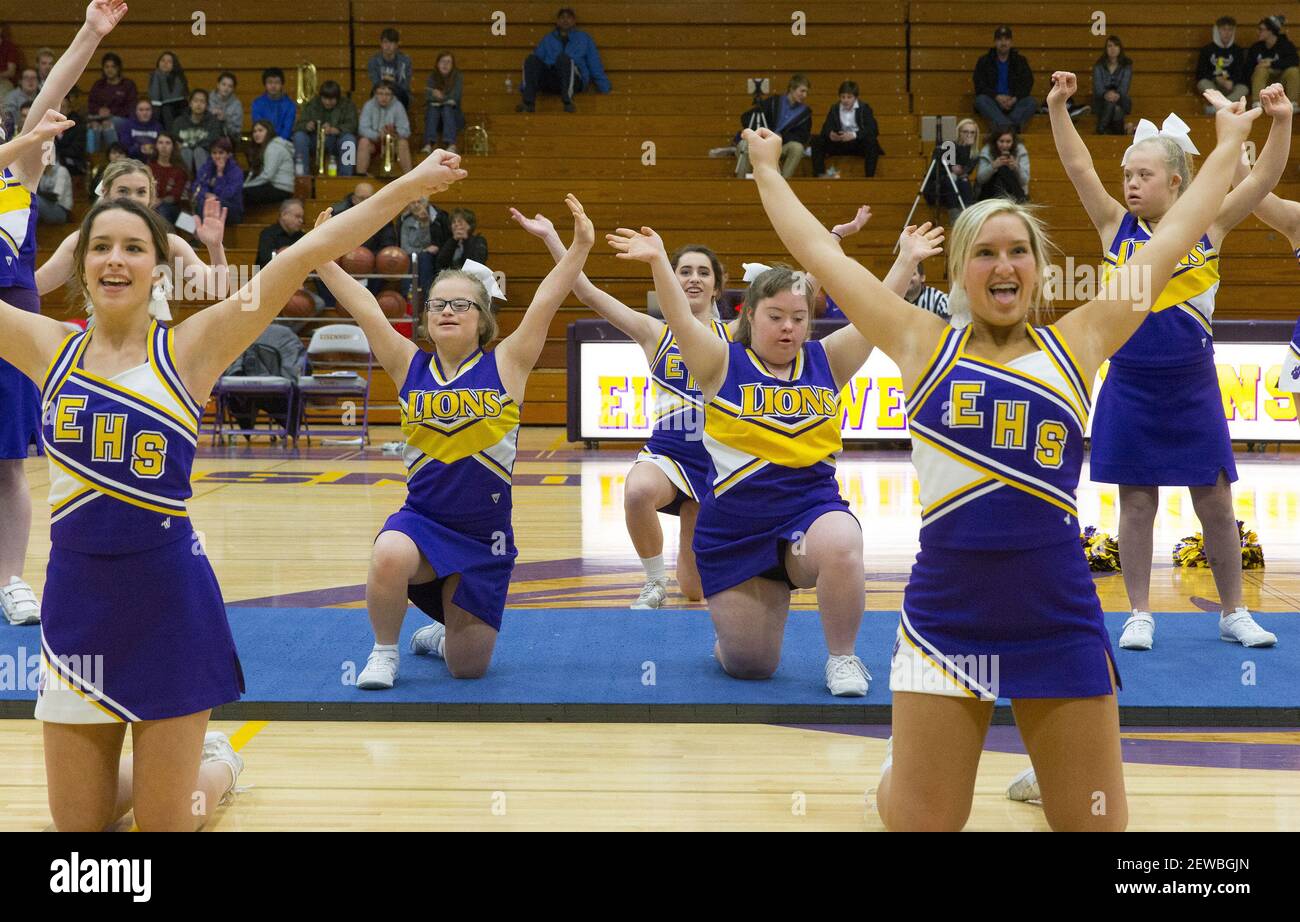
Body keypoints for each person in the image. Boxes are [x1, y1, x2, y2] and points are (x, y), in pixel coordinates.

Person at [744, 97, 1260, 830]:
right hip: (948, 614)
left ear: (1043, 269)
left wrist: (1230, 142)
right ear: (960, 269)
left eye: (1018, 250)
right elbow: (822, 257)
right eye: (984, 252)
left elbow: (1173, 236)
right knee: (927, 822)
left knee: (1096, 826)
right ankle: (904, 773)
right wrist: (768, 169)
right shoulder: (921, 342)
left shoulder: (1078, 341)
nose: (1003, 263)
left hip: (1060, 614)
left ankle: (1042, 770)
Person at [1, 138, 465, 831]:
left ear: (159, 265)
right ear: (81, 262)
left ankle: (216, 765)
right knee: (80, 831)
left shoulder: (191, 348)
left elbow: (303, 255)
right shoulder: (46, 346)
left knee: (165, 826)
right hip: (77, 611)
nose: (115, 260)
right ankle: (169, 771)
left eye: (134, 247)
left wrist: (410, 185)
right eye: (101, 247)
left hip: (168, 603)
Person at [1046, 71, 1290, 655]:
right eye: (1127, 175)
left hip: (1193, 387)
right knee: (1135, 503)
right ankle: (1138, 612)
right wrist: (1059, 108)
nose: (1129, 184)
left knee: (1215, 501)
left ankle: (1235, 611)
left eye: (1142, 175)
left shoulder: (1209, 224)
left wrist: (1281, 122)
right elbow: (1080, 168)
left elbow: (1261, 179)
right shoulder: (1114, 228)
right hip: (1128, 386)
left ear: (1175, 181)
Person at [606, 221, 880, 696]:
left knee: (842, 540)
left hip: (806, 518)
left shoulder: (827, 359)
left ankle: (843, 658)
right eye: (776, 316)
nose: (788, 326)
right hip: (734, 531)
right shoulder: (718, 362)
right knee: (751, 666)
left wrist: (908, 260)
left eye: (798, 317)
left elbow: (878, 313)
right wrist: (656, 263)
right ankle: (733, 634)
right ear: (750, 317)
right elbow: (680, 319)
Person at [343, 194, 592, 689]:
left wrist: (579, 244)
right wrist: (322, 256)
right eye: (439, 305)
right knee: (388, 551)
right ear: (426, 316)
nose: (448, 312)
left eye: (462, 304)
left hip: (486, 537)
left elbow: (547, 298)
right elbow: (365, 306)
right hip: (424, 523)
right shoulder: (406, 363)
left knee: (468, 669)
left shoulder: (508, 363)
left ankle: (440, 635)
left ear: (483, 318)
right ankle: (383, 652)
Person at [0, 0, 128, 630]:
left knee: (8, 468)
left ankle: (12, 580)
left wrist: (89, 33)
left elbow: (51, 91)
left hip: (10, 342)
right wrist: (28, 138)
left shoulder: (16, 187)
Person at [38, 157, 231, 306]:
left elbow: (219, 288)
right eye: (123, 191)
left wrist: (214, 247)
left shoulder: (169, 243)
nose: (132, 199)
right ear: (105, 194)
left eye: (141, 192)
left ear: (151, 198)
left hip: (151, 346)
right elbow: (36, 285)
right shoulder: (83, 240)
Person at [517, 7, 611, 113]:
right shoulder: (548, 39)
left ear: (574, 21)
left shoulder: (584, 38)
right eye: (562, 17)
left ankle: (568, 101)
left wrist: (605, 89)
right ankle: (528, 103)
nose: (565, 20)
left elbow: (595, 64)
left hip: (575, 79)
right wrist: (523, 88)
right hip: (552, 79)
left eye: (569, 17)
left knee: (564, 59)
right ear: (557, 21)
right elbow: (534, 64)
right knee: (531, 58)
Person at [735, 74, 812, 178]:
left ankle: (782, 183)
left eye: (806, 92)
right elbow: (746, 117)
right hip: (762, 142)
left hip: (782, 145)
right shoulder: (774, 102)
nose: (805, 95)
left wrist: (781, 137)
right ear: (792, 89)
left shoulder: (805, 113)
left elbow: (802, 136)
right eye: (802, 91)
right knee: (743, 144)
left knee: (797, 148)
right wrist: (763, 133)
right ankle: (742, 183)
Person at [811, 80, 884, 178]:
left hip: (857, 143)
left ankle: (869, 178)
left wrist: (854, 135)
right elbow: (825, 128)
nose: (845, 100)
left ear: (856, 98)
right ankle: (820, 176)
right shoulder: (834, 108)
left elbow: (873, 130)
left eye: (849, 97)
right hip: (840, 143)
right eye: (843, 97)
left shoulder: (864, 108)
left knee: (872, 142)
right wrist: (831, 134)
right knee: (816, 140)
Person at [972, 26, 1039, 132]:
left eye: (1006, 39)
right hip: (993, 103)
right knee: (980, 101)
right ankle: (1010, 127)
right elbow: (979, 85)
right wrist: (996, 97)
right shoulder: (984, 61)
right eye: (1000, 39)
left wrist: (1014, 99)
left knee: (1032, 102)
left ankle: (1003, 126)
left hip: (1015, 103)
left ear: (1011, 42)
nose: (1003, 43)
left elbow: (1027, 83)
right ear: (995, 42)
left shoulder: (1020, 61)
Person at [293, 79, 358, 177]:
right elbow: (298, 125)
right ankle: (301, 174)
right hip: (315, 139)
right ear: (321, 97)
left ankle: (346, 176)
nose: (328, 102)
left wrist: (337, 129)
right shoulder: (312, 104)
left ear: (338, 98)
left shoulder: (348, 105)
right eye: (325, 99)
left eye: (331, 99)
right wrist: (307, 125)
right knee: (299, 137)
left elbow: (353, 125)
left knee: (349, 141)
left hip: (337, 139)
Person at [356, 80, 412, 176]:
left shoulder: (398, 106)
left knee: (403, 143)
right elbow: (362, 128)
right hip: (374, 142)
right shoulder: (369, 105)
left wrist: (395, 133)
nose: (384, 97)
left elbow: (406, 130)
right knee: (363, 142)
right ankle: (360, 175)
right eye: (380, 93)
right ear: (375, 94)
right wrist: (378, 135)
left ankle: (410, 177)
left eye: (387, 94)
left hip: (392, 142)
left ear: (392, 95)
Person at [86, 51, 136, 153]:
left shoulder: (127, 85)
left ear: (118, 68)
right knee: (94, 126)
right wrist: (99, 110)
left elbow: (131, 107)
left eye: (113, 67)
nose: (110, 70)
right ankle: (93, 159)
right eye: (107, 67)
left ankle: (114, 156)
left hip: (122, 119)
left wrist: (111, 112)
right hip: (98, 118)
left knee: (107, 124)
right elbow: (91, 103)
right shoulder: (98, 85)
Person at [399, 197, 450, 298]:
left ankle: (428, 295)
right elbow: (405, 248)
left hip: (431, 259)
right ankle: (407, 298)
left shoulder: (438, 218)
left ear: (426, 203)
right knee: (412, 259)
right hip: (411, 257)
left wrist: (424, 225)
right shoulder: (404, 221)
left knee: (425, 258)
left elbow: (430, 244)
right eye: (413, 202)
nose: (417, 205)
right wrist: (422, 251)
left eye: (420, 202)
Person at [1196, 16, 1250, 111]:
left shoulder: (1237, 50)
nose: (1227, 33)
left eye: (1230, 30)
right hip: (1213, 84)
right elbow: (1201, 73)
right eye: (1223, 29)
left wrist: (1232, 81)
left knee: (1243, 88)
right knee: (1203, 83)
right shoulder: (1207, 50)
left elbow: (1241, 73)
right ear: (1217, 31)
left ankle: (1222, 106)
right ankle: (1224, 106)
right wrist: (1216, 78)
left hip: (1231, 86)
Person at [242, 119, 295, 209]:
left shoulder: (273, 148)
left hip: (281, 189)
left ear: (269, 132)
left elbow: (267, 175)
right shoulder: (267, 147)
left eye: (260, 130)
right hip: (273, 185)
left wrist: (245, 186)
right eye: (254, 131)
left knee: (242, 194)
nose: (256, 134)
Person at [191, 136, 244, 225]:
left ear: (228, 154)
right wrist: (206, 194)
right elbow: (197, 186)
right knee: (195, 209)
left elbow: (228, 194)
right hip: (208, 204)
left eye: (221, 153)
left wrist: (220, 174)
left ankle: (202, 236)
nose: (217, 156)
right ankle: (200, 235)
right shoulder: (207, 167)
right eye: (214, 153)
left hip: (231, 209)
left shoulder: (236, 171)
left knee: (209, 205)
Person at [1248, 15, 1300, 105]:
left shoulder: (1286, 45)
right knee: (1261, 70)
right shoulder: (1256, 47)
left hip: (1281, 81)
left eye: (1261, 29)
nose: (1258, 32)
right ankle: (1257, 103)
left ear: (1270, 31)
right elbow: (1248, 67)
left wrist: (1271, 64)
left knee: (1294, 71)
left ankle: (1293, 103)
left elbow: (1294, 61)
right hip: (1262, 82)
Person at [974, 127, 1030, 202]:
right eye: (1001, 141)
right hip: (989, 192)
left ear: (1013, 142)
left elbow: (1024, 181)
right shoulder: (987, 151)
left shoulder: (1020, 151)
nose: (1004, 145)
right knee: (1002, 170)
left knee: (1005, 170)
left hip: (1015, 192)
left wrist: (1016, 168)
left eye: (1008, 142)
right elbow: (980, 179)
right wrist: (993, 166)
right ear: (995, 141)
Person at [423, 51, 463, 154]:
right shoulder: (432, 77)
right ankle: (428, 144)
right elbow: (427, 95)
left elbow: (455, 97)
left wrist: (439, 96)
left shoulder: (457, 77)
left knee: (447, 108)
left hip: (453, 116)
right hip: (435, 116)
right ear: (437, 63)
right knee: (433, 109)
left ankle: (451, 144)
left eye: (448, 62)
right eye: (442, 61)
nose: (445, 64)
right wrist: (444, 98)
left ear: (453, 65)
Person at [173, 88, 219, 173]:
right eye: (196, 101)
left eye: (202, 101)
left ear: (206, 105)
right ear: (190, 103)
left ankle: (202, 183)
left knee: (199, 151)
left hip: (206, 157)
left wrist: (187, 145)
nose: (198, 104)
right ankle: (185, 182)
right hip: (184, 156)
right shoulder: (179, 122)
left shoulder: (213, 122)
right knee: (186, 152)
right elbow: (174, 141)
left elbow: (212, 142)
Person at [1093, 36, 1133, 135]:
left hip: (1121, 100)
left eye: (1116, 45)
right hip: (1102, 101)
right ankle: (1119, 133)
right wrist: (1106, 94)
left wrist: (1116, 95)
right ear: (1106, 49)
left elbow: (1124, 86)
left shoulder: (1126, 65)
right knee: (1116, 109)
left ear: (1120, 48)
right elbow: (1098, 88)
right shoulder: (1099, 66)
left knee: (1116, 106)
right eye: (1110, 46)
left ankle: (1101, 128)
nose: (1113, 49)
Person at [367, 27, 413, 109]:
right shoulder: (373, 61)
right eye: (385, 42)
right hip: (380, 93)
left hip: (400, 94)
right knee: (377, 96)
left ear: (397, 45)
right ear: (381, 44)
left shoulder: (405, 61)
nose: (388, 46)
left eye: (391, 42)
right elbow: (375, 83)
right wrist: (385, 85)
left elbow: (405, 86)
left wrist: (392, 83)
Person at [149, 132, 188, 225]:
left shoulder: (179, 170)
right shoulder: (148, 168)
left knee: (162, 209)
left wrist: (160, 201)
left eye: (167, 143)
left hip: (174, 209)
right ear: (156, 146)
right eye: (160, 142)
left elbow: (176, 196)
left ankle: (166, 238)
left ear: (173, 147)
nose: (164, 146)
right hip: (150, 205)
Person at [256, 197, 306, 269]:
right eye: (297, 216)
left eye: (302, 217)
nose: (301, 221)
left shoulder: (302, 236)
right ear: (284, 215)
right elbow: (265, 259)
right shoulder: (268, 234)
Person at [250, 67, 296, 144]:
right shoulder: (257, 104)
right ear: (265, 84)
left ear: (282, 84)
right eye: (270, 82)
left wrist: (277, 143)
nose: (273, 86)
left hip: (283, 143)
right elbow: (259, 127)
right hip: (263, 142)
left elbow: (287, 130)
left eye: (277, 82)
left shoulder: (290, 105)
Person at [148, 50, 188, 131]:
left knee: (165, 109)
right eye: (162, 60)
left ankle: (170, 135)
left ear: (174, 65)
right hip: (160, 109)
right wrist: (157, 76)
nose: (165, 63)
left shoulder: (178, 78)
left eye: (169, 61)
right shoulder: (155, 75)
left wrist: (160, 77)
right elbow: (154, 99)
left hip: (177, 108)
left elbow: (170, 99)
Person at [208, 71, 242, 144]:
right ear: (218, 85)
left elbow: (236, 132)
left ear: (233, 89)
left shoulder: (236, 104)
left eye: (230, 86)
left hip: (228, 140)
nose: (226, 88)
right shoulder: (207, 99)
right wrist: (210, 115)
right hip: (208, 138)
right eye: (223, 84)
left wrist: (225, 119)